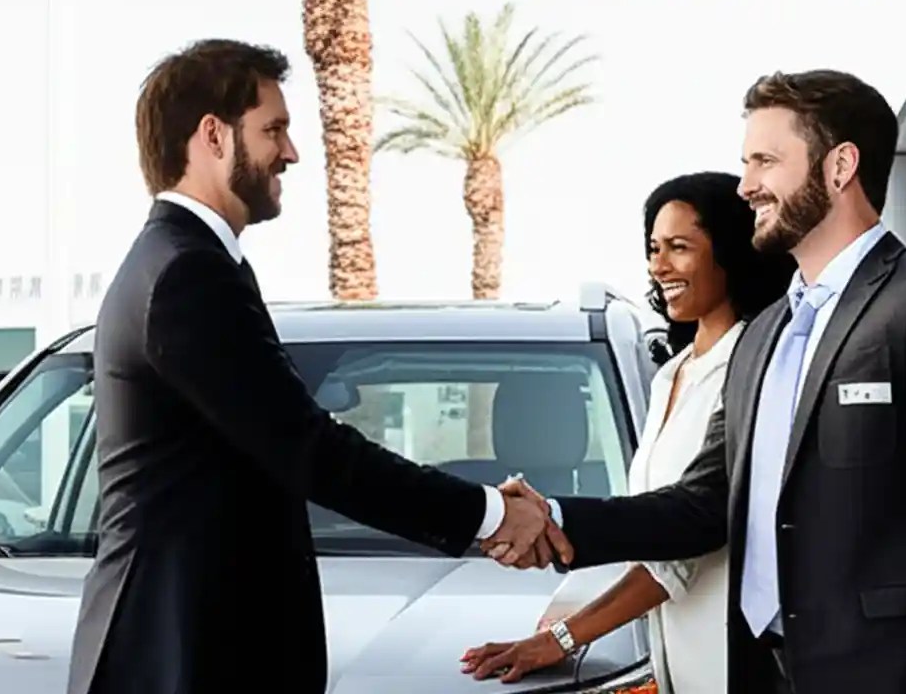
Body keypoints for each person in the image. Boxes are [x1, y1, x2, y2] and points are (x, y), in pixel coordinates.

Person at [487, 69, 906, 693]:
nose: (746, 186)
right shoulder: (763, 334)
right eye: (746, 163)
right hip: (761, 671)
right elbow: (704, 504)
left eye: (766, 161)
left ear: (840, 165)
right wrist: (553, 516)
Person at [65, 39, 561, 694]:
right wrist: (491, 515)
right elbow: (308, 450)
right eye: (274, 129)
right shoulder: (187, 275)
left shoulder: (185, 263)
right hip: (181, 657)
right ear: (213, 136)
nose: (292, 152)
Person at [460, 172, 793, 689]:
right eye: (654, 248)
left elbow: (686, 538)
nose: (659, 265)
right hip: (677, 666)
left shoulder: (753, 368)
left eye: (679, 247)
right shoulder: (670, 374)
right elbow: (656, 542)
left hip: (737, 665)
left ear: (730, 251)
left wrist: (561, 633)